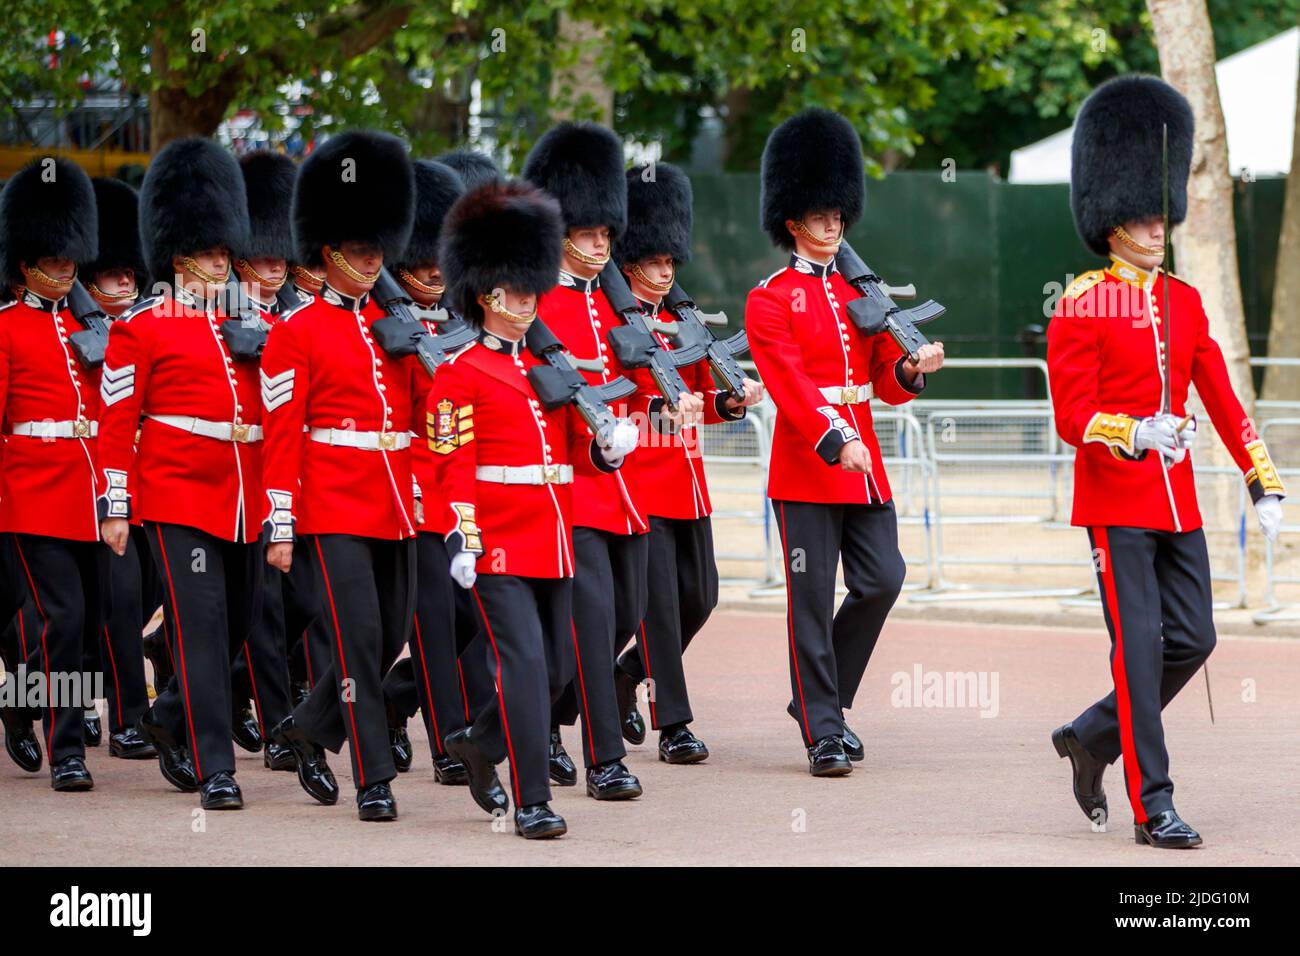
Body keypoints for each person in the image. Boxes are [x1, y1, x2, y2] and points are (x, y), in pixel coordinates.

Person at [1046, 75, 1285, 849]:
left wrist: (1260, 475)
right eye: (1144, 215)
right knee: (1140, 647)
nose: (1157, 226)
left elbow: (1220, 392)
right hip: (1116, 501)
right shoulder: (1081, 302)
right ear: (1112, 221)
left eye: (1162, 213)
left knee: (1195, 640)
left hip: (1176, 501)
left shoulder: (1183, 301)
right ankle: (1155, 805)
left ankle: (1090, 734)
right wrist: (1136, 432)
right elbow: (1072, 418)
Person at [433, 178, 640, 837]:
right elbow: (449, 463)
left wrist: (610, 446)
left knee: (554, 668)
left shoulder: (548, 371)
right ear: (485, 295)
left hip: (553, 538)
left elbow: (580, 453)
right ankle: (531, 801)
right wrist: (462, 537)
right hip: (496, 544)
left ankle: (477, 743)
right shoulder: (458, 373)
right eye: (515, 292)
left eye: (530, 291)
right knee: (524, 663)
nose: (526, 303)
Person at [746, 108, 944, 776]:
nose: (833, 228)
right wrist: (835, 438)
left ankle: (818, 699)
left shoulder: (863, 293)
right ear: (793, 222)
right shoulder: (769, 298)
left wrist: (912, 369)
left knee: (884, 578)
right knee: (810, 597)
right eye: (820, 218)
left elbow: (883, 380)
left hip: (865, 463)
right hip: (810, 464)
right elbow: (791, 385)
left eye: (839, 217)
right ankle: (823, 730)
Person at [262, 130, 425, 822]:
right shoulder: (294, 333)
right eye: (360, 249)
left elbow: (426, 413)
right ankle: (373, 776)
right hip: (332, 504)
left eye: (378, 247)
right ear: (327, 254)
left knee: (389, 638)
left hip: (396, 500)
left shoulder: (395, 325)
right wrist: (282, 520)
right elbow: (282, 433)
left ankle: (305, 725)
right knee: (358, 639)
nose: (374, 259)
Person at [99, 137, 262, 810]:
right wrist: (115, 501)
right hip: (175, 496)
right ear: (178, 257)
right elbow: (115, 419)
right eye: (209, 255)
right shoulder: (142, 327)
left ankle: (168, 713)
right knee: (202, 627)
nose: (221, 265)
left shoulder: (242, 324)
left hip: (241, 498)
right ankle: (214, 764)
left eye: (226, 254)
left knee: (236, 626)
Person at [612, 162, 765, 753]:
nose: (667, 271)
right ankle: (673, 724)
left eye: (672, 262)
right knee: (660, 609)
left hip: (688, 483)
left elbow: (708, 392)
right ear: (631, 264)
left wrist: (734, 399)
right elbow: (607, 403)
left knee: (701, 597)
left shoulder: (683, 319)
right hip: (640, 483)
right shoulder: (612, 324)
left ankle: (625, 674)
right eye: (657, 262)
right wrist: (659, 417)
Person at [522, 122, 657, 788]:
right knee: (594, 623)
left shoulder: (613, 307)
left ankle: (540, 719)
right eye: (588, 233)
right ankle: (606, 759)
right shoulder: (535, 307)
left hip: (622, 492)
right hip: (569, 492)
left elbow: (641, 388)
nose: (601, 244)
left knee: (626, 613)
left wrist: (682, 409)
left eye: (607, 234)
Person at [0, 156, 103, 791]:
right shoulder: (7, 329)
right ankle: (68, 747)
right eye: (55, 259)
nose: (67, 269)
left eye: (71, 260)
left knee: (84, 625)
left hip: (88, 490)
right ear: (26, 263)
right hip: (31, 492)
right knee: (61, 618)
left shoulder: (86, 327)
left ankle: (16, 699)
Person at [378, 157, 477, 785]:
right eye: (423, 263)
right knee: (433, 622)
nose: (435, 274)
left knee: (473, 619)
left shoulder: (468, 317)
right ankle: (447, 741)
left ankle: (392, 700)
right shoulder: (389, 326)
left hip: (465, 484)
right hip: (414, 486)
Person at [228, 150, 306, 772]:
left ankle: (189, 678)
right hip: (240, 477)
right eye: (264, 253)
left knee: (301, 602)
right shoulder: (216, 314)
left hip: (293, 474)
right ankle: (279, 719)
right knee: (266, 608)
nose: (276, 264)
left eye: (282, 253)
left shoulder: (294, 317)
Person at [81, 175, 156, 760]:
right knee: (100, 608)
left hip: (144, 484)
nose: (125, 280)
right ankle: (122, 717)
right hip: (77, 490)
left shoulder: (144, 330)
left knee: (141, 597)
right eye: (112, 273)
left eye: (130, 271)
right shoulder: (68, 331)